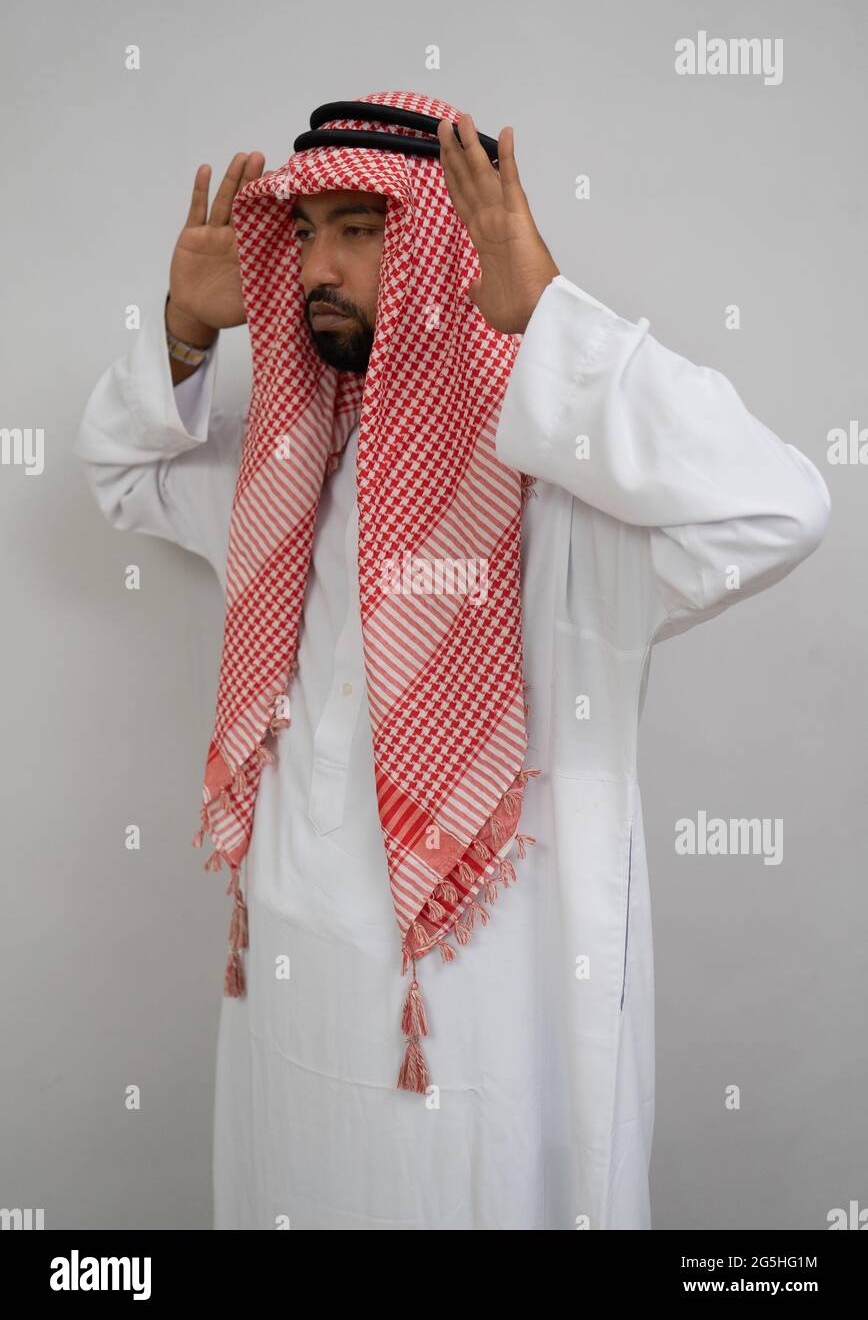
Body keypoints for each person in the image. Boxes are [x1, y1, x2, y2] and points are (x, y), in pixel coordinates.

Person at [73, 90, 830, 1230]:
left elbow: (779, 510)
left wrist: (555, 320)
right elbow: (125, 478)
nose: (317, 264)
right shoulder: (286, 480)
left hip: (489, 999)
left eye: (359, 230)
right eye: (306, 229)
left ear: (436, 242)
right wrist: (182, 329)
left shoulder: (561, 505)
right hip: (295, 973)